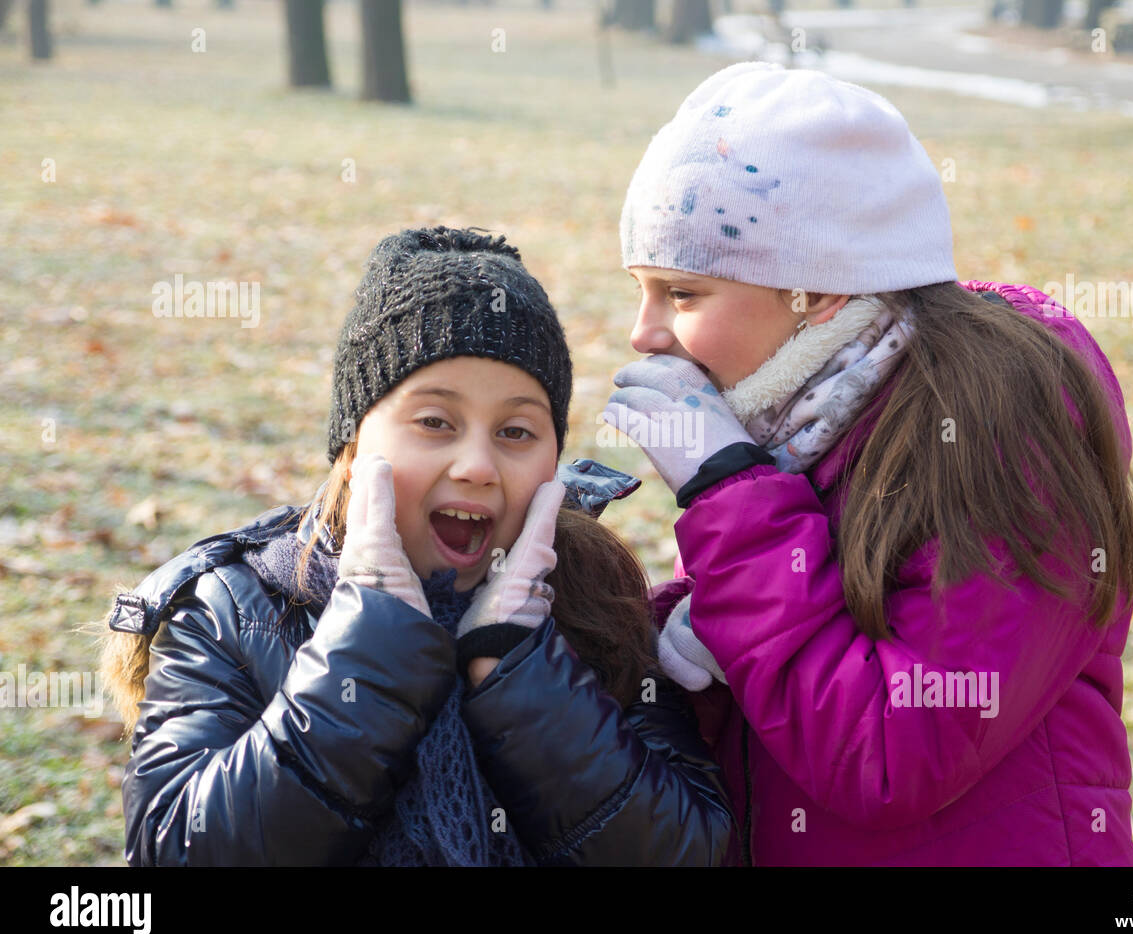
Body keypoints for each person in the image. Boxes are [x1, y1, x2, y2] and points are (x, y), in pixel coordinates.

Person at [603, 61, 1133, 865]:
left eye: (681, 295)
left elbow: (891, 756)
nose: (643, 333)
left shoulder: (1005, 425)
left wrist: (730, 492)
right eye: (642, 289)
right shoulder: (811, 412)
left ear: (817, 293)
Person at [99, 226, 736, 866]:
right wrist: (371, 652)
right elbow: (173, 851)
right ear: (352, 449)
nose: (477, 465)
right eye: (435, 422)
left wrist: (518, 671)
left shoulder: (594, 599)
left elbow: (692, 850)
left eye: (517, 430)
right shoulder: (233, 611)